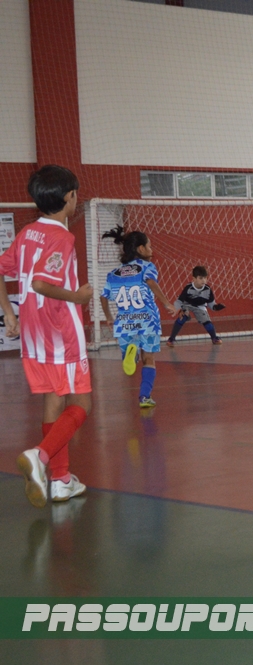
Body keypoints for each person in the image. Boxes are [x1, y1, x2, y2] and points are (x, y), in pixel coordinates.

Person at [0, 165, 92, 507]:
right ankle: (40, 457)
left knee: (54, 399)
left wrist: (9, 313)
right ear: (70, 197)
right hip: (60, 331)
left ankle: (60, 481)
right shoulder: (62, 238)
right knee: (81, 404)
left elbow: (1, 267)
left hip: (32, 332)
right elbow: (41, 282)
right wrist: (78, 298)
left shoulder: (27, 233)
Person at [100, 226, 177, 409]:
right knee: (149, 359)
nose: (152, 250)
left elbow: (103, 296)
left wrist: (109, 316)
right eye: (149, 247)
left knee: (130, 358)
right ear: (141, 249)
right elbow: (151, 282)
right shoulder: (147, 267)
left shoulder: (114, 273)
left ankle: (130, 352)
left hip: (124, 321)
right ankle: (144, 397)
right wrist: (167, 303)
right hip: (147, 319)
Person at [166, 266, 225, 346]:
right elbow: (179, 301)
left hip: (200, 306)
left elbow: (211, 305)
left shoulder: (208, 289)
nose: (204, 280)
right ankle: (171, 339)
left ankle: (214, 338)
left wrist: (217, 307)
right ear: (194, 279)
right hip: (186, 304)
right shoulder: (188, 288)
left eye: (205, 278)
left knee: (207, 322)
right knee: (182, 317)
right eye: (200, 278)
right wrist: (179, 310)